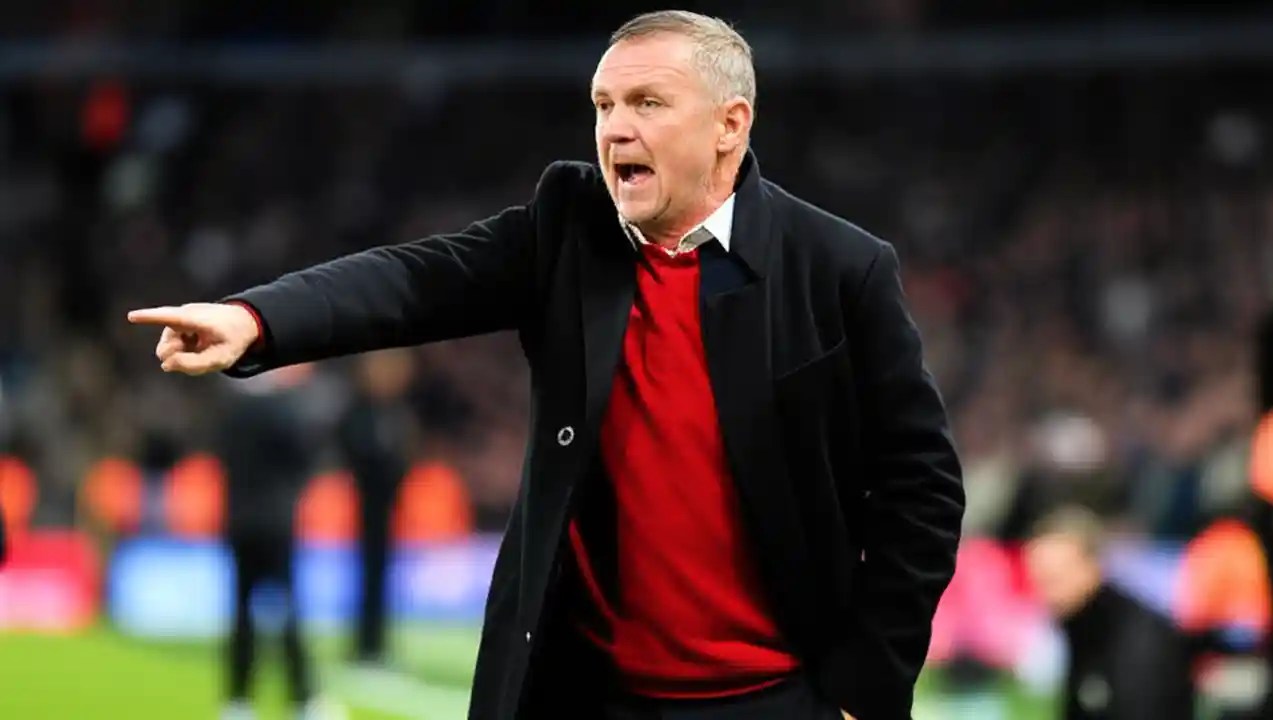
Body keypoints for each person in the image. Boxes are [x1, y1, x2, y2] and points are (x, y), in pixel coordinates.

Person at [128, 11, 964, 720]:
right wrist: (255, 318)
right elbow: (419, 281)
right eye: (603, 104)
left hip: (773, 697)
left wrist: (866, 686)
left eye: (646, 102)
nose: (614, 128)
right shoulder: (569, 227)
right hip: (585, 692)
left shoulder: (838, 268)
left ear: (729, 124)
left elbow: (922, 486)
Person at [214, 363, 343, 720]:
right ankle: (303, 698)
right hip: (275, 524)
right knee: (287, 611)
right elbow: (305, 459)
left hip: (238, 521)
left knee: (241, 612)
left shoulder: (231, 414)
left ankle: (237, 700)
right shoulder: (284, 412)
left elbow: (221, 461)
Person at [1024, 506, 1196, 720]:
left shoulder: (1139, 639)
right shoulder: (1081, 628)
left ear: (1092, 566)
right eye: (1039, 581)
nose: (1047, 595)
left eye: (1055, 579)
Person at [338, 349, 417, 667]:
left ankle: (376, 644)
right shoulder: (358, 414)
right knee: (367, 577)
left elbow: (404, 458)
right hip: (367, 509)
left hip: (389, 511)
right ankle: (364, 645)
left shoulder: (399, 414)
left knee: (382, 578)